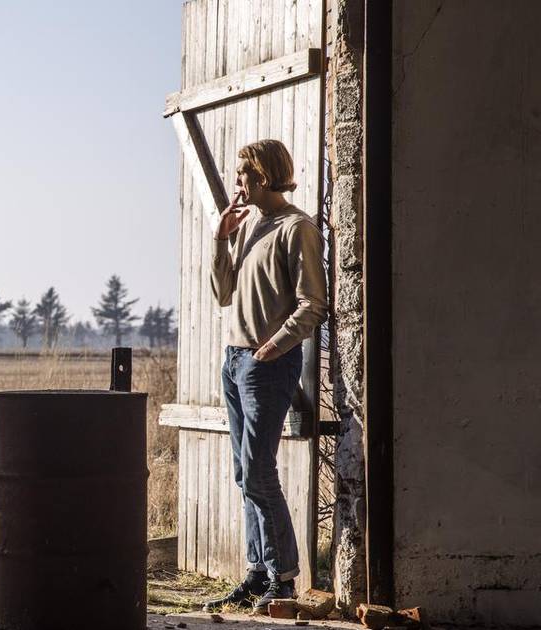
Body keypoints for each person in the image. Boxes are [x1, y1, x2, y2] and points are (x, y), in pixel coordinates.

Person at [202, 139, 328, 614]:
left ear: (265, 176)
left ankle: (285, 578)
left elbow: (313, 304)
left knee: (258, 472)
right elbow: (222, 292)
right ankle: (257, 574)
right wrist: (220, 238)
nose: (237, 184)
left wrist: (274, 347)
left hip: (267, 365)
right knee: (243, 473)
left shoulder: (297, 228)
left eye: (243, 176)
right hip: (233, 362)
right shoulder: (249, 224)